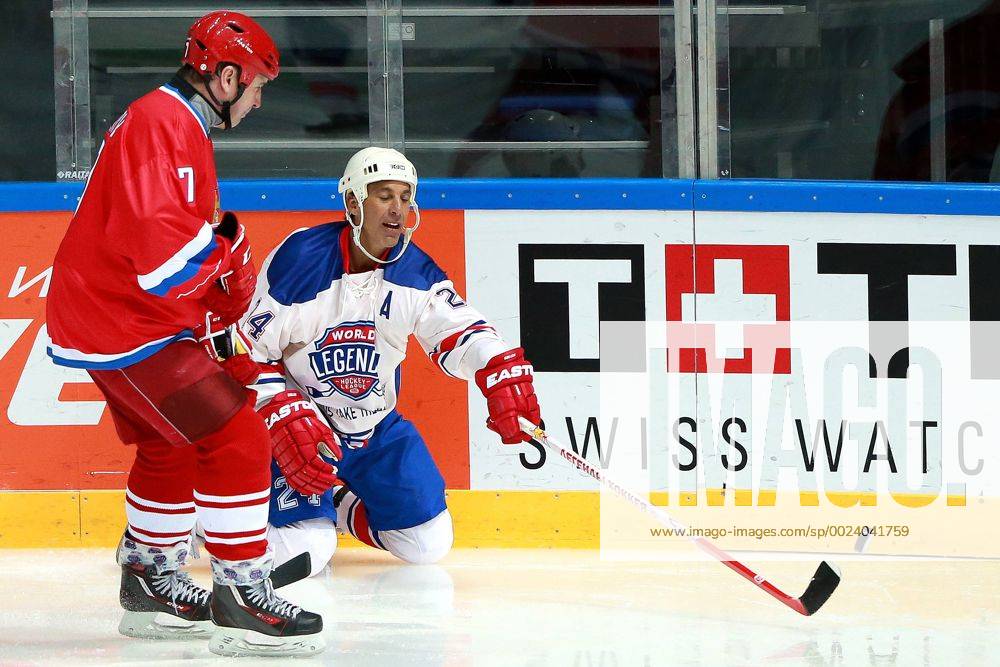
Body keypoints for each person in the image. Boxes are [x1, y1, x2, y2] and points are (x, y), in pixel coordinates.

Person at [45, 11, 324, 657]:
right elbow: (164, 260)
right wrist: (230, 246)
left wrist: (224, 297)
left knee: (168, 444)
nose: (258, 99)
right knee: (236, 433)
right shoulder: (161, 121)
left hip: (126, 317)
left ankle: (149, 579)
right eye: (256, 85)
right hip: (124, 321)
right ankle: (241, 590)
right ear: (225, 77)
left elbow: (179, 255)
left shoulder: (175, 123)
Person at [232, 146, 542, 576]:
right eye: (383, 196)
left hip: (374, 430)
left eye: (405, 197)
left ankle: (338, 505)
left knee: (427, 542)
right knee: (306, 552)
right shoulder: (300, 260)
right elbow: (242, 351)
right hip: (301, 433)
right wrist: (280, 411)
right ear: (353, 203)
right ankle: (198, 526)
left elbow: (461, 330)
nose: (397, 210)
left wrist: (499, 372)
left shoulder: (414, 271)